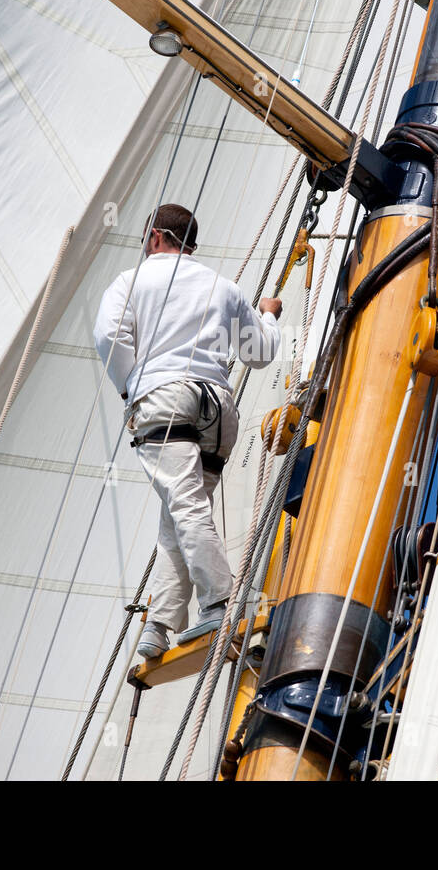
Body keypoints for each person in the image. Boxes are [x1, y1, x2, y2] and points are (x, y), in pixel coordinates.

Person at [93, 204, 283, 659]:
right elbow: (260, 353)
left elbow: (110, 336)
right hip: (219, 409)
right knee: (181, 512)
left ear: (156, 237)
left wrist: (131, 388)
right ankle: (158, 626)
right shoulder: (224, 288)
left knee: (184, 506)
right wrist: (270, 314)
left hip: (165, 402)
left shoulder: (132, 280)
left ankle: (219, 599)